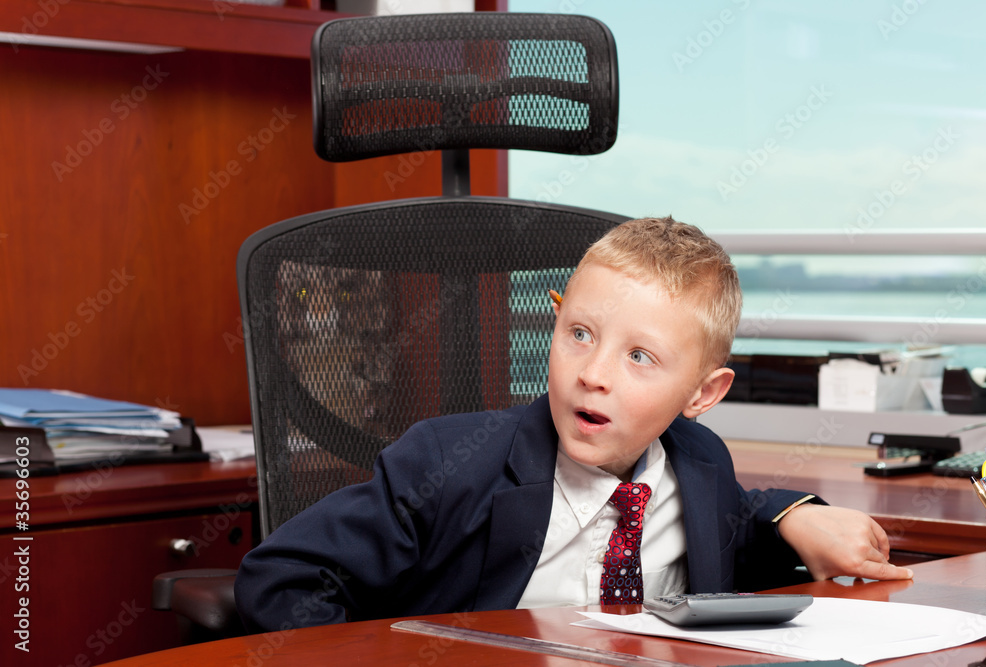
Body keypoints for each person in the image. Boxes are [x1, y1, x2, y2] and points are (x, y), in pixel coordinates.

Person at [235, 216, 912, 632]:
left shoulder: (701, 462)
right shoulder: (446, 463)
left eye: (640, 356)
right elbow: (280, 578)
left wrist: (795, 513)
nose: (594, 374)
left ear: (702, 394)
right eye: (580, 333)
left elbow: (737, 522)